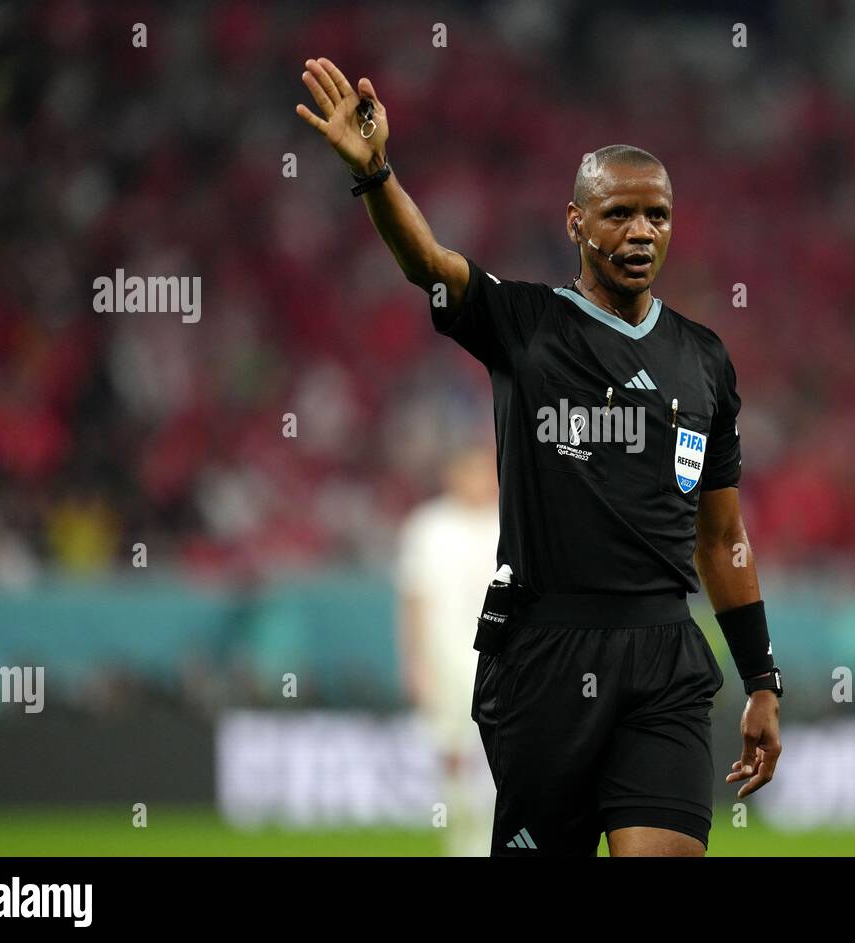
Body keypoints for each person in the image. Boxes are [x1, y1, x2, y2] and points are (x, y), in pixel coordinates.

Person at [296, 57, 782, 856]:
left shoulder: (704, 359)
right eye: (619, 213)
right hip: (544, 657)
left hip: (663, 654)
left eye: (656, 215)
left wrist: (761, 679)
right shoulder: (524, 324)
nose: (640, 232)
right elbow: (430, 265)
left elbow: (722, 536)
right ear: (576, 223)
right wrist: (376, 174)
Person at [395, 443, 499, 856]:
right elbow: (414, 600)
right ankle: (462, 835)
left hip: (502, 660)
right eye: (467, 471)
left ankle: (498, 833)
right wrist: (415, 661)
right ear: (451, 474)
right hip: (445, 660)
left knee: (504, 751)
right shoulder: (427, 527)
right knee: (452, 752)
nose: (476, 481)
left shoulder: (510, 522)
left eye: (483, 471)